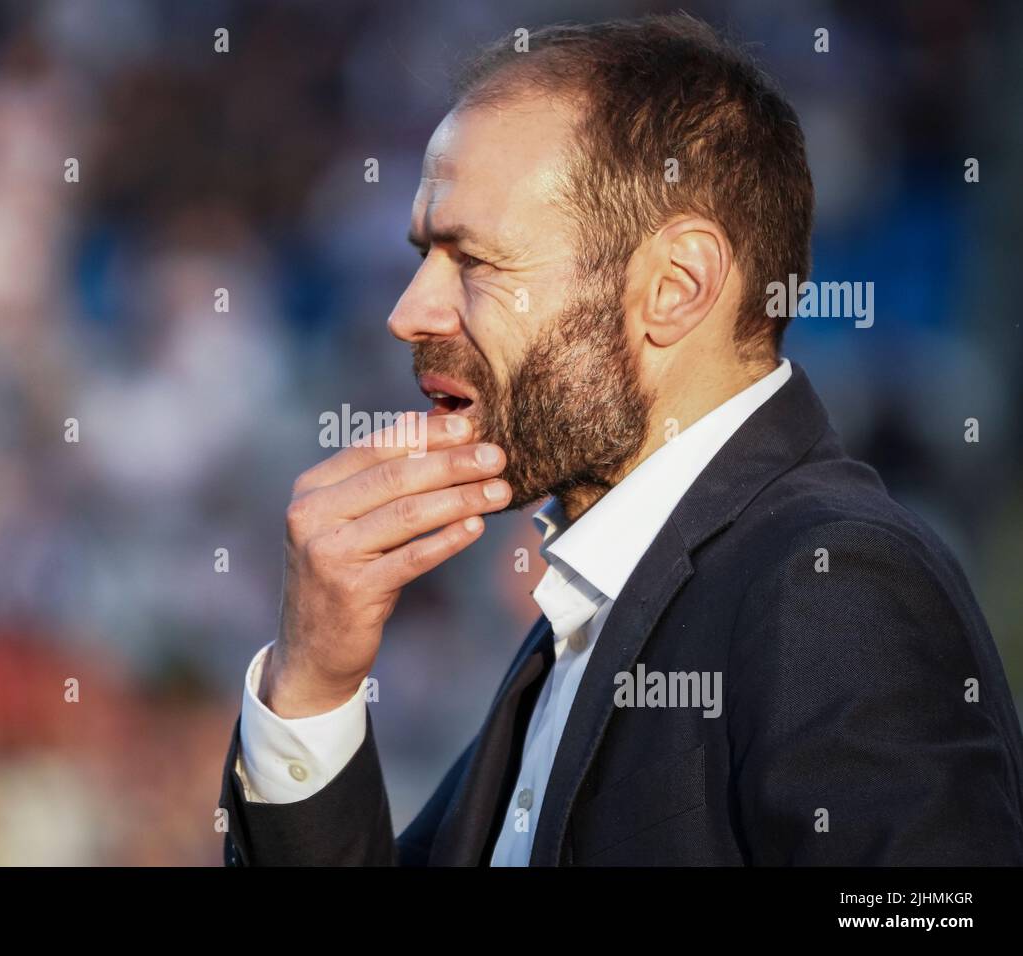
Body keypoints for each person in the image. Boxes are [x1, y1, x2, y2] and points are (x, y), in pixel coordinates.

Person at [217, 14, 1023, 865]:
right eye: (424, 254)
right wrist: (313, 685)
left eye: (474, 261)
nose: (408, 313)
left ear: (676, 288)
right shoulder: (590, 610)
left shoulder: (829, 582)